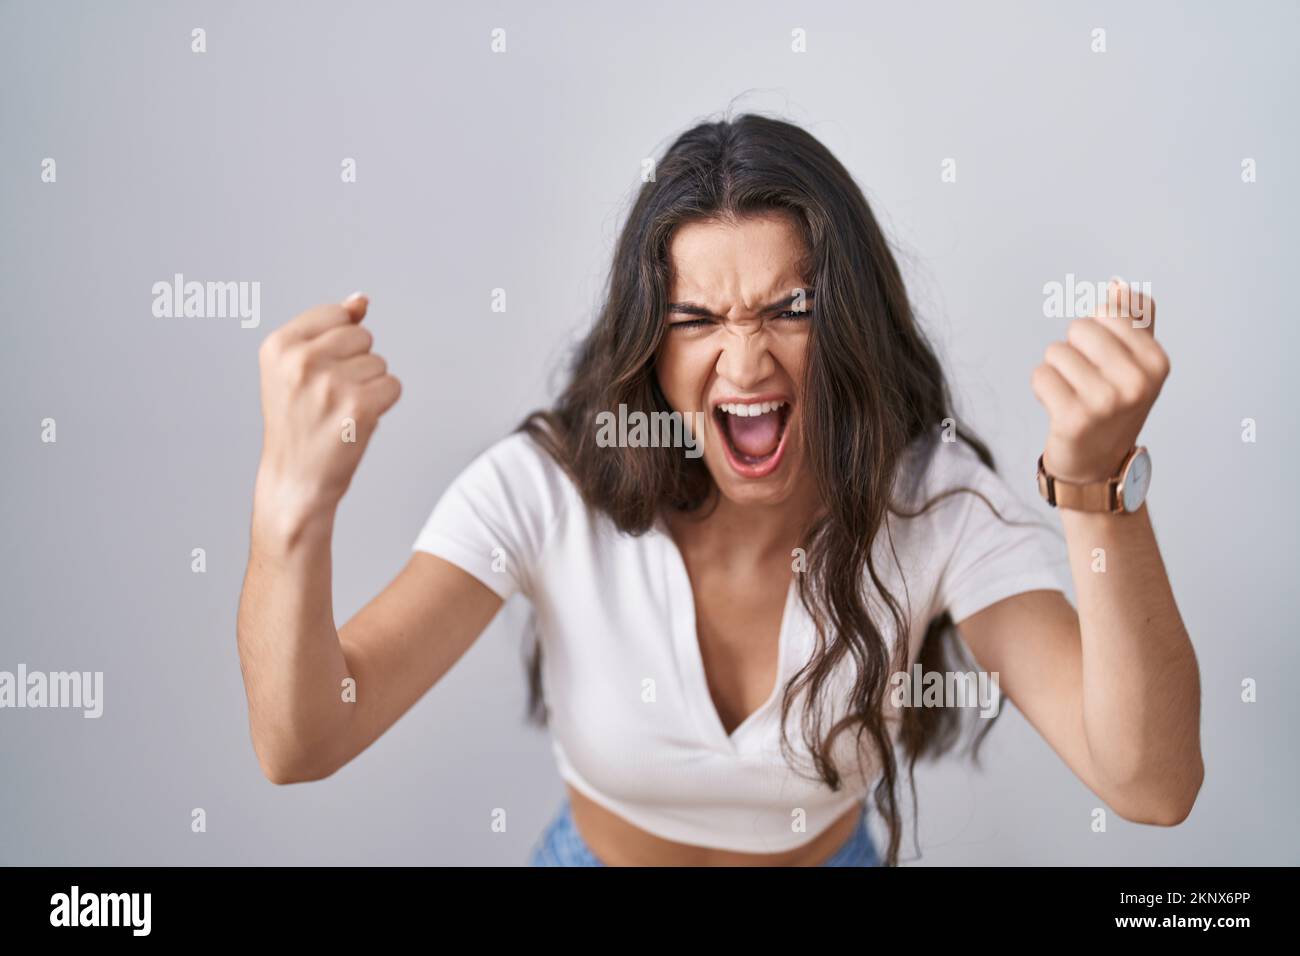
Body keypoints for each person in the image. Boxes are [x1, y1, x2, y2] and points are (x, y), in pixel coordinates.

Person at [235, 114, 1203, 867]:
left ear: (852, 322)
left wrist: (1095, 482)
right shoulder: (545, 487)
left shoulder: (932, 501)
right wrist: (293, 507)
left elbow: (1150, 781)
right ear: (648, 347)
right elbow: (306, 736)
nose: (744, 358)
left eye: (791, 307)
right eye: (695, 316)